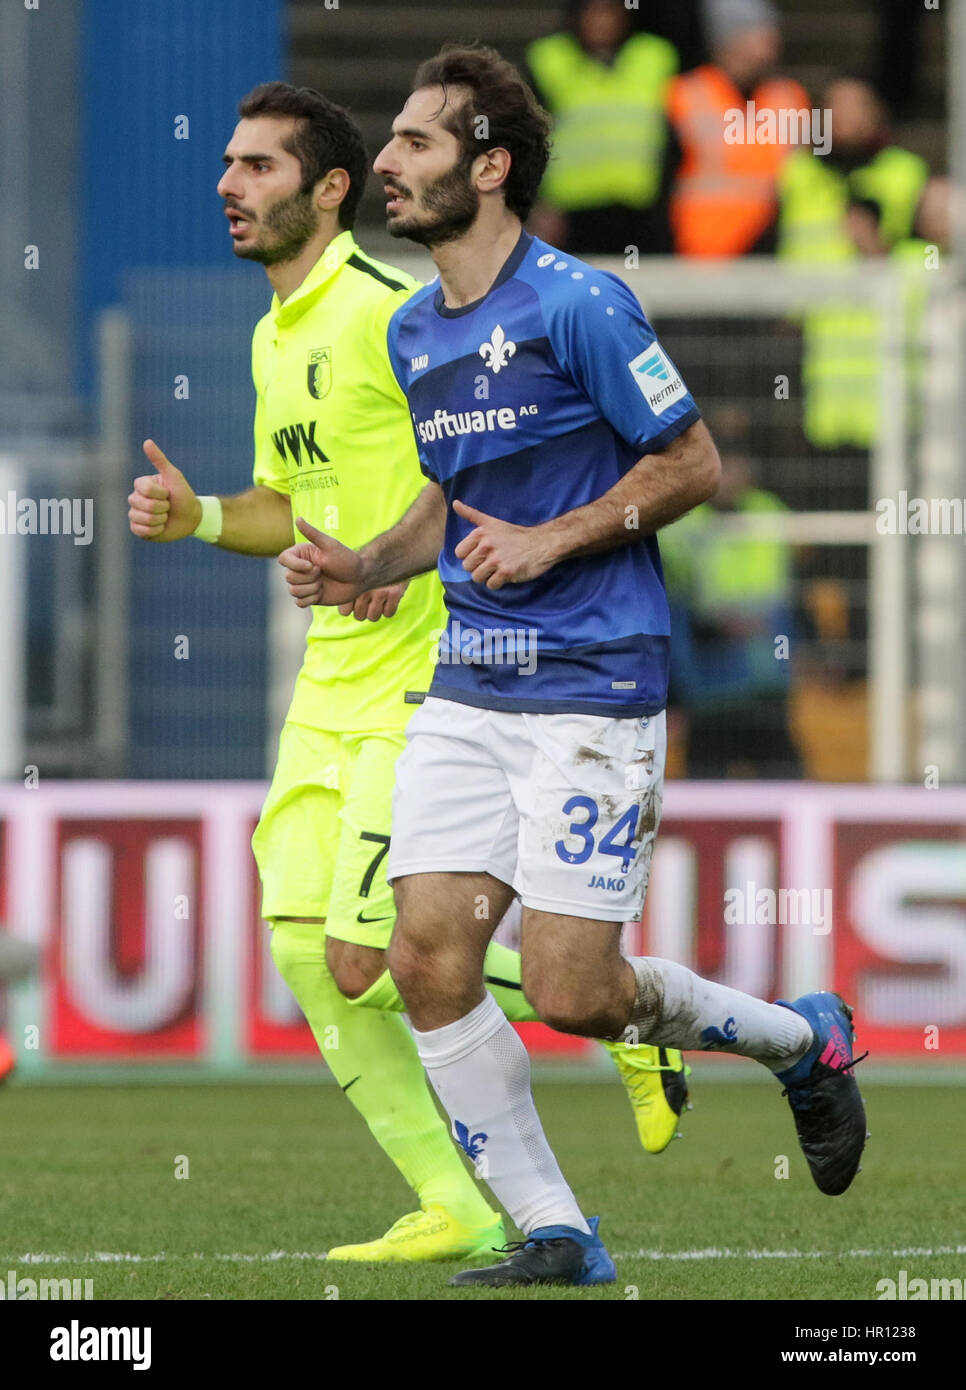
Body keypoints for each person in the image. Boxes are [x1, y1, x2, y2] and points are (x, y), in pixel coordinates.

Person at [280, 43, 869, 1289]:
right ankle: (561, 1233)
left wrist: (557, 536)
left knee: (574, 991)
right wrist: (368, 561)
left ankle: (798, 1043)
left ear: (490, 168)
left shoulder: (579, 304)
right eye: (389, 142)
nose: (386, 161)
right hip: (465, 688)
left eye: (419, 143)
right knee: (424, 960)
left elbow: (691, 463)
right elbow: (454, 496)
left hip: (595, 688)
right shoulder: (412, 332)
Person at [127, 81, 689, 1267]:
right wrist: (199, 518)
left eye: (259, 167)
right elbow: (295, 505)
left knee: (370, 955)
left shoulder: (394, 310)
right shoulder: (273, 335)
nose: (228, 184)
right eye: (226, 163)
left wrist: (408, 565)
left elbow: (477, 471)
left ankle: (611, 1011)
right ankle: (464, 1201)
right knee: (299, 947)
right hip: (330, 676)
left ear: (329, 191)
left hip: (432, 670)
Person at [526, 0, 679, 253]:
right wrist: (536, 203)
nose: (600, 20)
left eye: (609, 10)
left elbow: (677, 135)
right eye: (591, 10)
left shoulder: (657, 58)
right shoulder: (547, 59)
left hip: (641, 213)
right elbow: (525, 138)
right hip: (571, 214)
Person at [667, 0, 810, 257]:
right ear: (728, 39)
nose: (772, 38)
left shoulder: (790, 97)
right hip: (702, 254)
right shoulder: (685, 94)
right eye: (758, 30)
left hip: (773, 255)